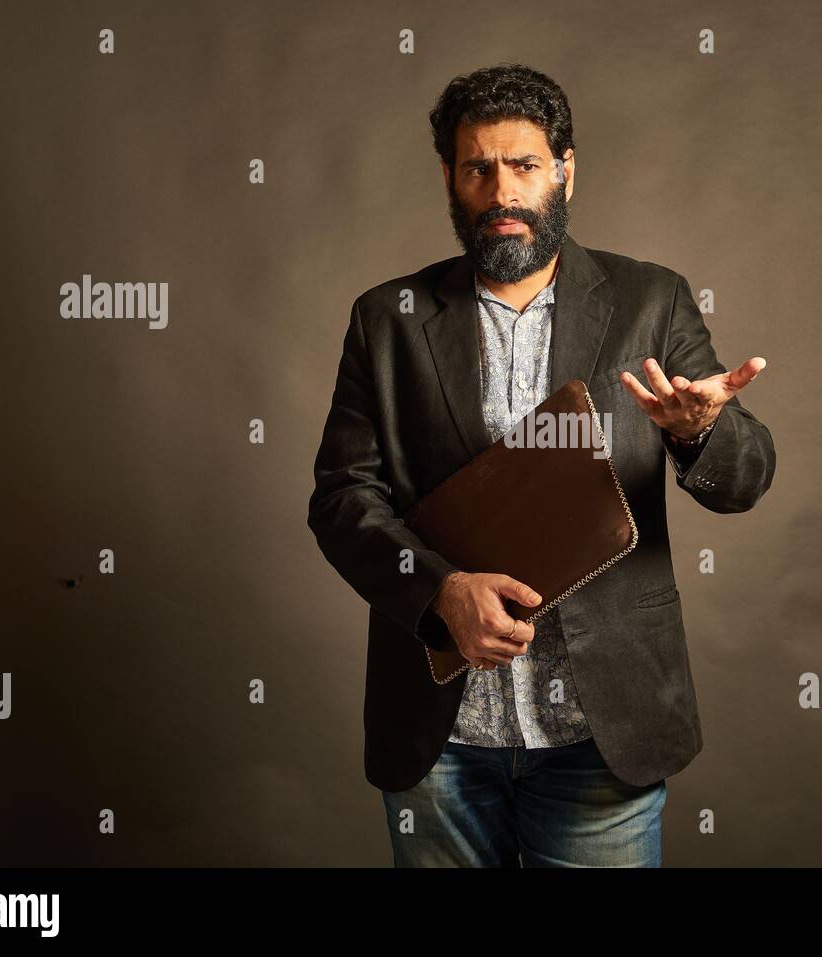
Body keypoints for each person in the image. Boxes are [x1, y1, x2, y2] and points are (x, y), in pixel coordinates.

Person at [307, 63, 776, 867]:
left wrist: (699, 432)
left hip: (600, 736)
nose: (502, 192)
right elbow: (342, 497)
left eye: (524, 165)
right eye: (477, 169)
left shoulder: (651, 300)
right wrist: (438, 592)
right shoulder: (388, 318)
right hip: (441, 739)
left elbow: (746, 479)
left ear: (565, 169)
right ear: (449, 180)